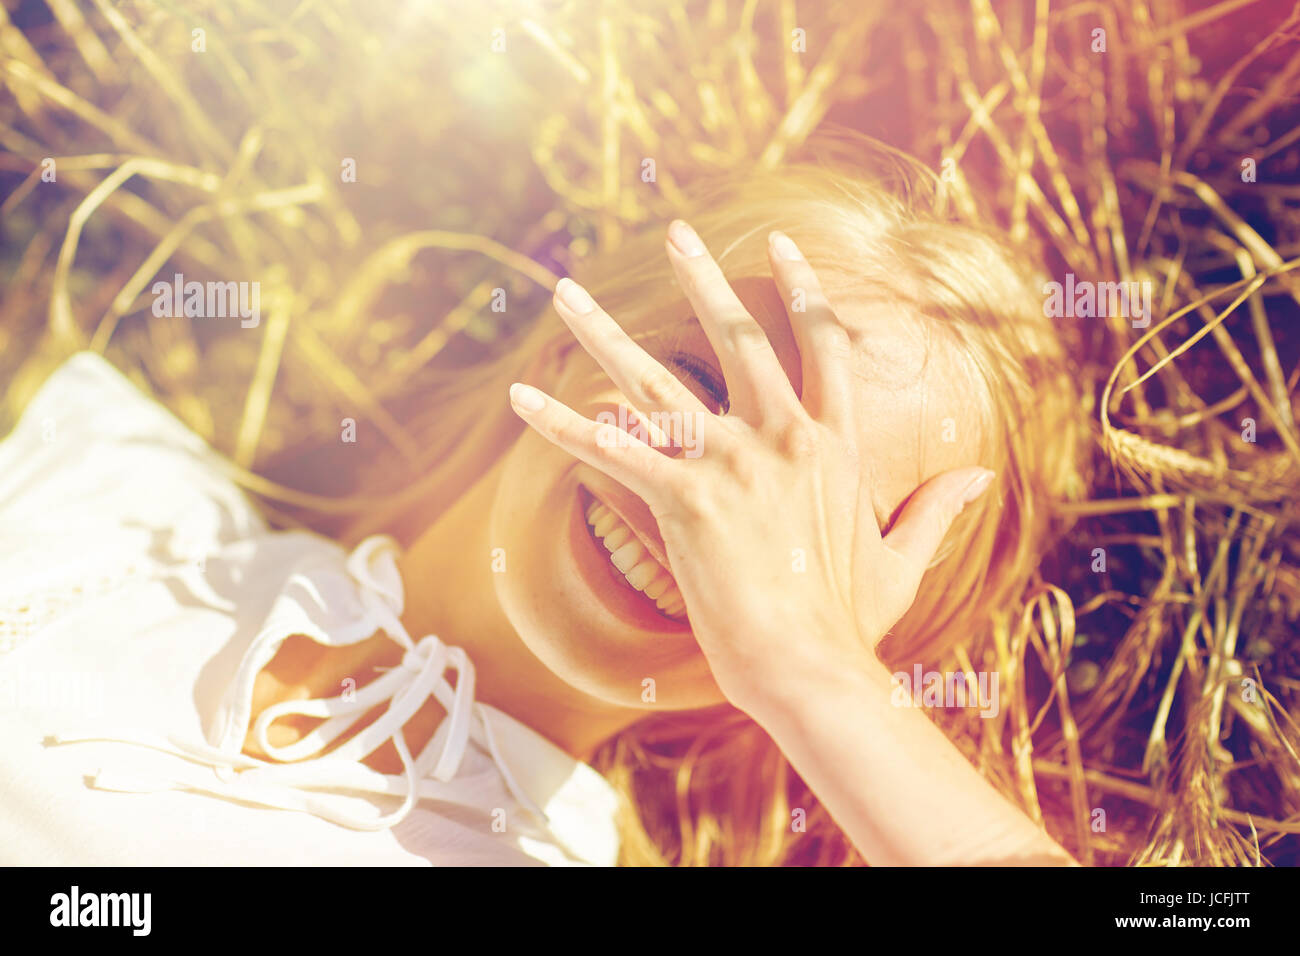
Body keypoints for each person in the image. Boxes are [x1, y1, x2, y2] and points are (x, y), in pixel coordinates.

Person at [0, 149, 1084, 865]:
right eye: (698, 383)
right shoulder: (113, 482)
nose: (707, 497)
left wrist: (814, 675)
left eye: (820, 520)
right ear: (575, 339)